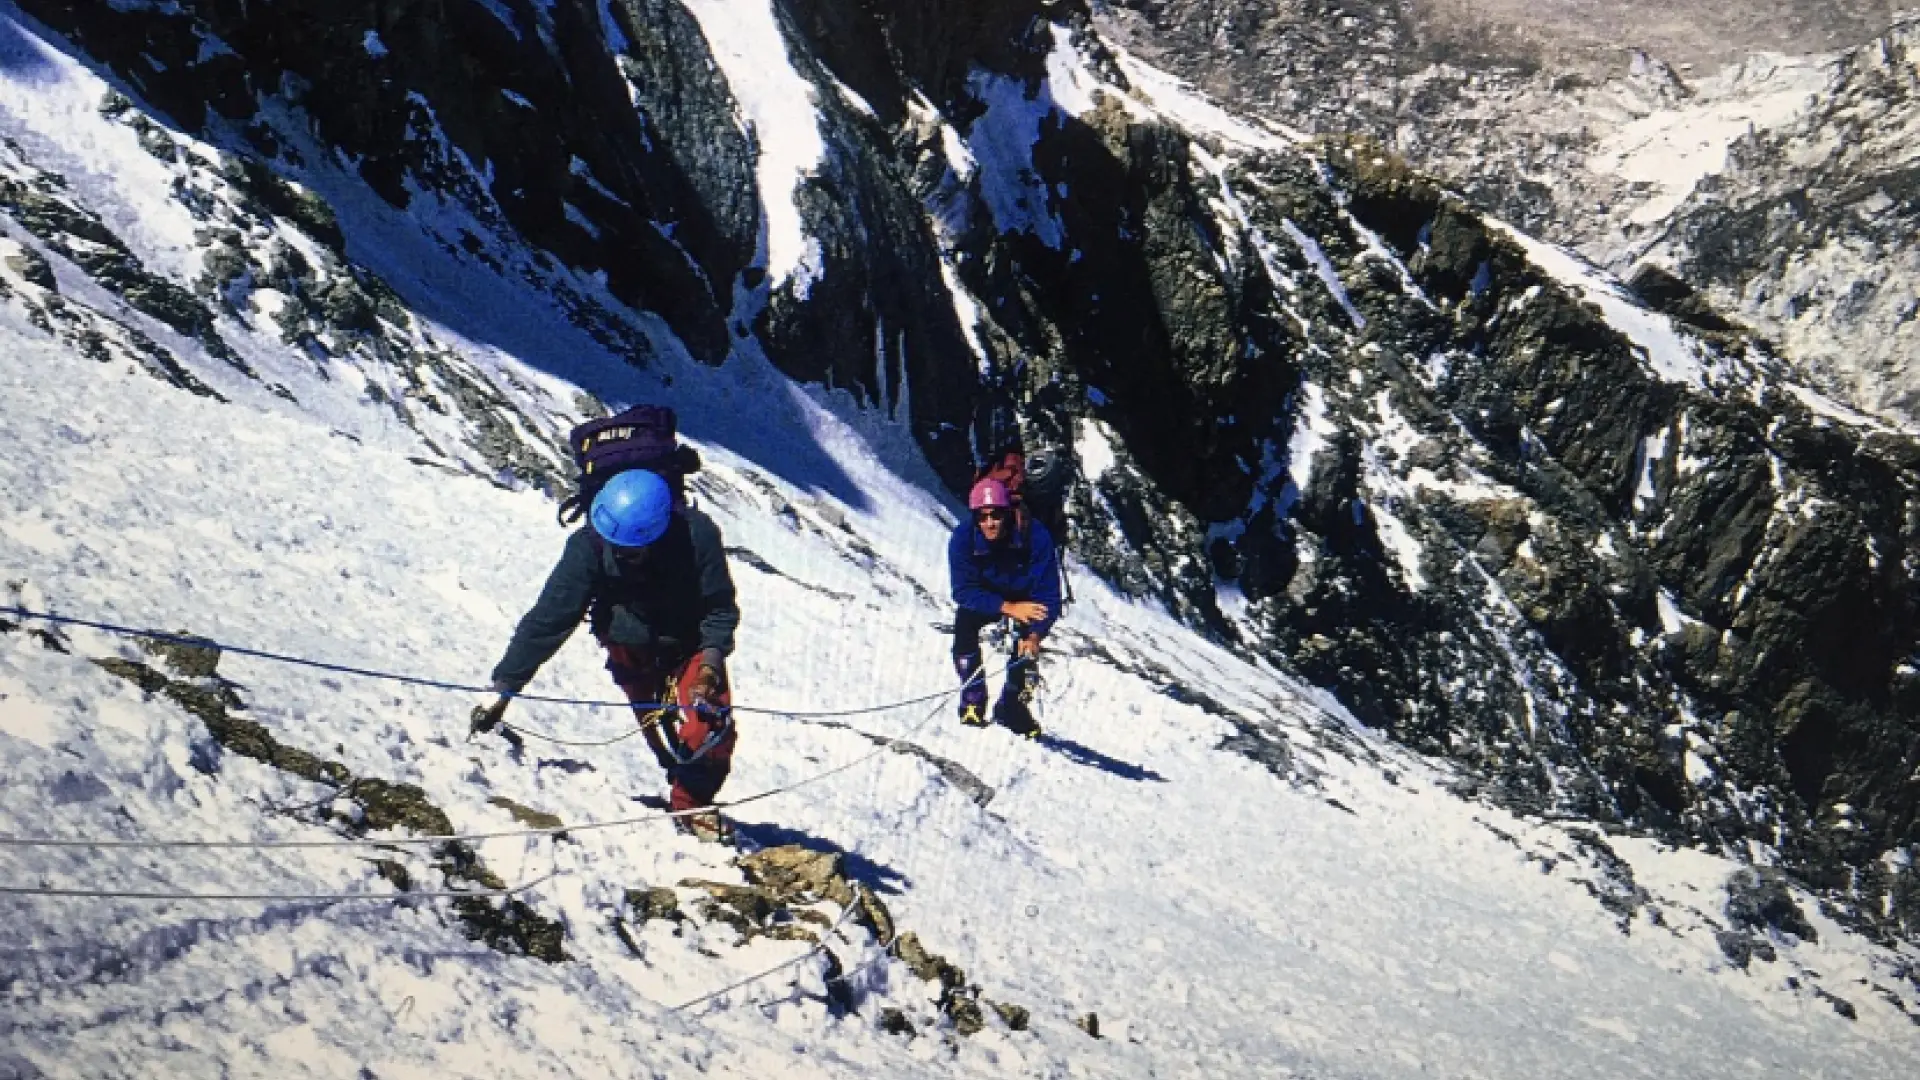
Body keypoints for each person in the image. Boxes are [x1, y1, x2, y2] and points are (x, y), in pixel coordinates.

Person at [472, 469, 742, 842]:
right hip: (630, 647)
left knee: (709, 727)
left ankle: (690, 805)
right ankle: (679, 781)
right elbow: (549, 618)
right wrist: (504, 686)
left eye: (630, 550)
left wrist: (710, 664)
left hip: (692, 646)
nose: (620, 553)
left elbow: (719, 609)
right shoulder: (589, 547)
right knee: (661, 735)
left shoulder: (698, 537)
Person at [948, 477, 1062, 736]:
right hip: (989, 595)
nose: (990, 523)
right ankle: (973, 699)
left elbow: (1049, 595)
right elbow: (963, 591)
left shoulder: (1036, 536)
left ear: (1008, 512)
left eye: (996, 515)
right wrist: (1006, 607)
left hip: (1025, 596)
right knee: (965, 626)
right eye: (982, 516)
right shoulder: (963, 539)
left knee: (1025, 649)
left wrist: (1035, 634)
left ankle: (1011, 707)